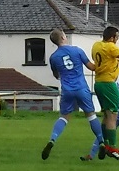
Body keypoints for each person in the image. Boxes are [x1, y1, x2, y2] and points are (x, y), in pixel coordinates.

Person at [42, 29, 106, 161]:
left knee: (64, 117)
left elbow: (56, 75)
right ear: (64, 37)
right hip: (81, 88)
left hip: (67, 89)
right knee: (91, 115)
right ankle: (101, 142)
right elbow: (92, 67)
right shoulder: (77, 50)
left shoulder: (53, 57)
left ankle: (52, 139)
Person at [90, 25, 119, 160]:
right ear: (112, 38)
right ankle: (113, 148)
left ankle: (105, 143)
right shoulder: (110, 47)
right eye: (117, 37)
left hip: (98, 83)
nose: (117, 40)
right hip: (108, 84)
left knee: (106, 115)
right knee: (112, 116)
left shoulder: (96, 45)